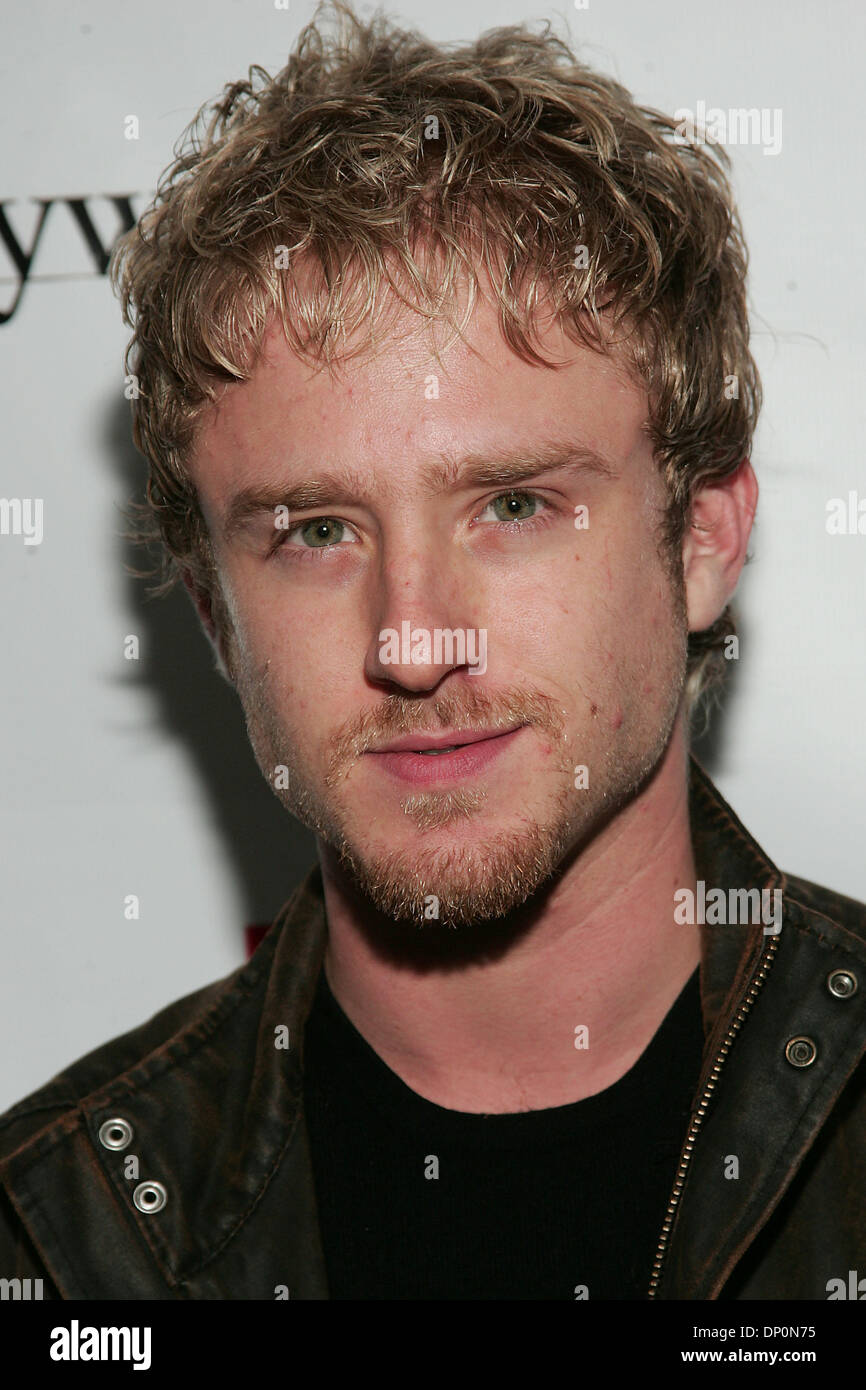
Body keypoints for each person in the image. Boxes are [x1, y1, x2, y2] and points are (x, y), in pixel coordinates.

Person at [1, 0, 863, 1302]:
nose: (412, 638)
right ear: (210, 617)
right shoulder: (57, 1238)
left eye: (512, 505)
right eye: (314, 531)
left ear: (698, 538)